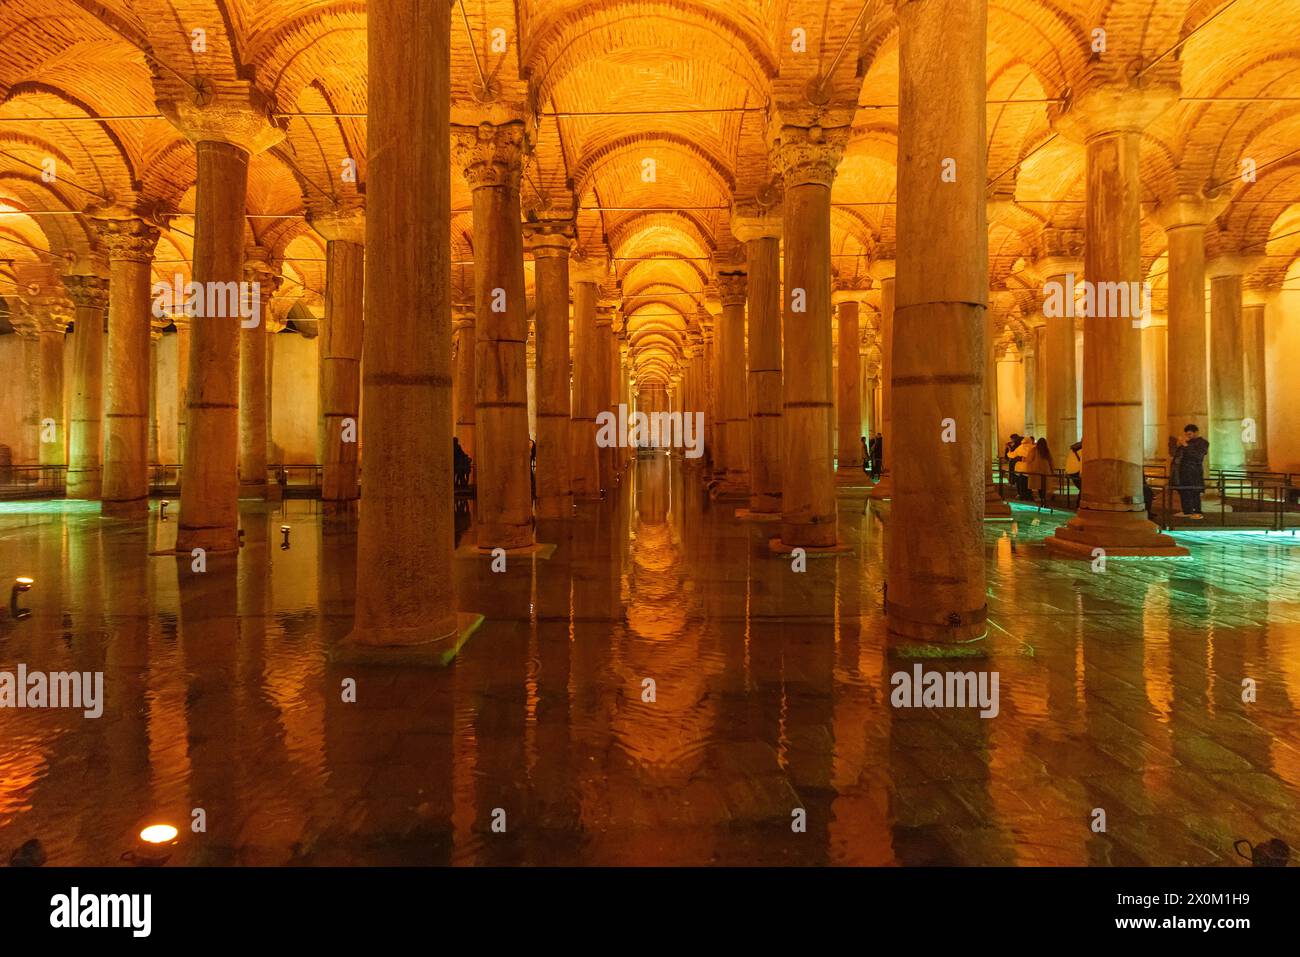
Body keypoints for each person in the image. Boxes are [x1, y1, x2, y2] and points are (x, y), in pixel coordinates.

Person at [1171, 423, 1209, 518]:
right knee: (1184, 492)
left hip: (1194, 472)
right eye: (1186, 434)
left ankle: (1197, 511)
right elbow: (1175, 455)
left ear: (1196, 433)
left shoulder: (1202, 443)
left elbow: (1197, 456)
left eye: (1190, 434)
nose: (1188, 436)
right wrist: (1178, 445)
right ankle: (1186, 511)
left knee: (1194, 492)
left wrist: (1185, 445)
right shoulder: (1186, 443)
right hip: (1182, 472)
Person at [1025, 437, 1054, 508]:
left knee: (1038, 486)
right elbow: (1051, 461)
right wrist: (1052, 469)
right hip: (1045, 470)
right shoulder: (1046, 450)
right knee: (1044, 486)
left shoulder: (1034, 450)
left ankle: (1041, 500)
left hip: (1036, 471)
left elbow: (1029, 460)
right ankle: (1044, 499)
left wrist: (1028, 468)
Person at [1009, 434, 1034, 501]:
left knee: (1020, 482)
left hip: (1019, 468)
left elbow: (1011, 455)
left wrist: (1009, 450)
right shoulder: (1033, 448)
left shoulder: (1020, 447)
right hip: (1029, 468)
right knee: (1028, 482)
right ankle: (1028, 495)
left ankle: (1021, 494)